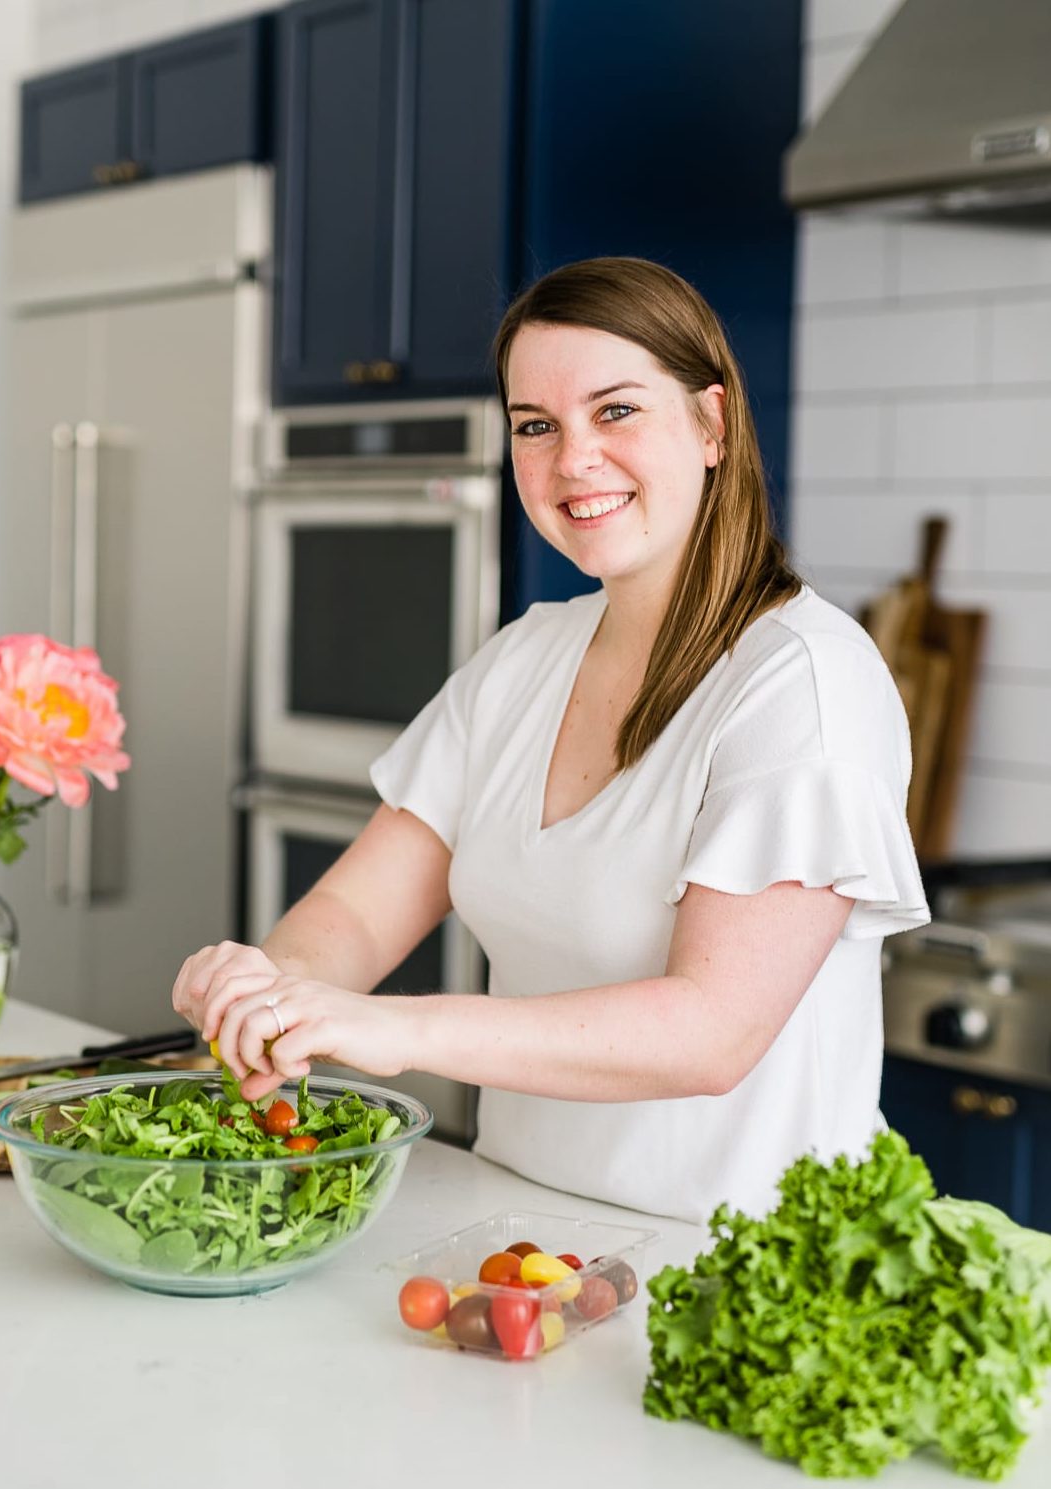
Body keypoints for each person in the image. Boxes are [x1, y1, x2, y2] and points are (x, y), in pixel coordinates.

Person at [171, 257, 929, 1224]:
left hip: (735, 1266)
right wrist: (269, 990)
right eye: (536, 426)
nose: (573, 460)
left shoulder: (803, 680)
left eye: (616, 411)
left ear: (712, 423)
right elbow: (356, 918)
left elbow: (710, 1032)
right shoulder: (526, 657)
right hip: (522, 1247)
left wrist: (389, 1027)